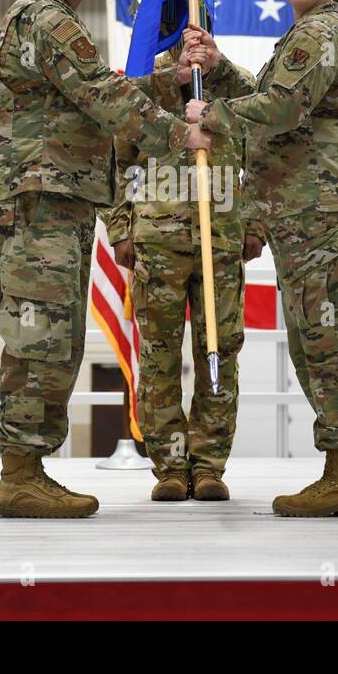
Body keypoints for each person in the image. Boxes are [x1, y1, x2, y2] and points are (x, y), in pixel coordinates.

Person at [0, 0, 210, 518]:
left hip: (56, 199)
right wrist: (175, 131)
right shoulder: (45, 17)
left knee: (55, 338)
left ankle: (28, 469)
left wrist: (165, 90)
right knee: (39, 338)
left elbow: (97, 94)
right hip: (38, 200)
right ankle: (20, 475)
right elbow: (104, 96)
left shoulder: (55, 18)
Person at [182, 0, 338, 517]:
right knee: (314, 337)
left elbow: (284, 109)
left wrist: (210, 117)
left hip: (321, 207)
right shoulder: (307, 34)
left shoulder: (318, 33)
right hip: (306, 206)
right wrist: (220, 71)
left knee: (329, 338)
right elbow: (279, 99)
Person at [107, 41, 262, 501]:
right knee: (159, 358)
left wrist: (256, 223)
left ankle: (209, 465)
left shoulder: (234, 87)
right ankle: (170, 466)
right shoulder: (140, 89)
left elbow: (267, 154)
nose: (189, 37)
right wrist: (120, 227)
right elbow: (115, 165)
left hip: (221, 240)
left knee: (220, 349)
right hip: (158, 243)